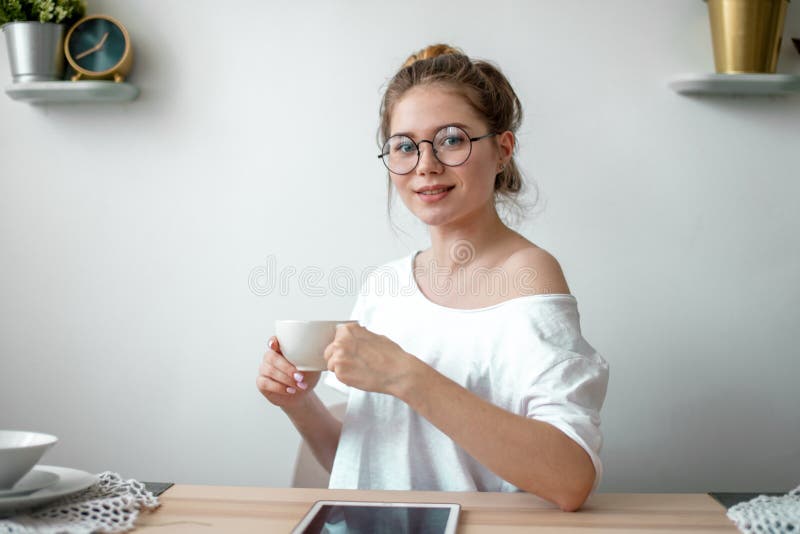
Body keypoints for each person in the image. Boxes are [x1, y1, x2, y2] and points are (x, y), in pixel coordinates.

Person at [256, 44, 609, 512]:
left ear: (502, 149)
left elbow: (570, 478)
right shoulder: (385, 286)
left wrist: (406, 375)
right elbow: (365, 463)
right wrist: (298, 403)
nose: (425, 164)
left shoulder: (528, 276)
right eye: (405, 146)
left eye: (451, 139)